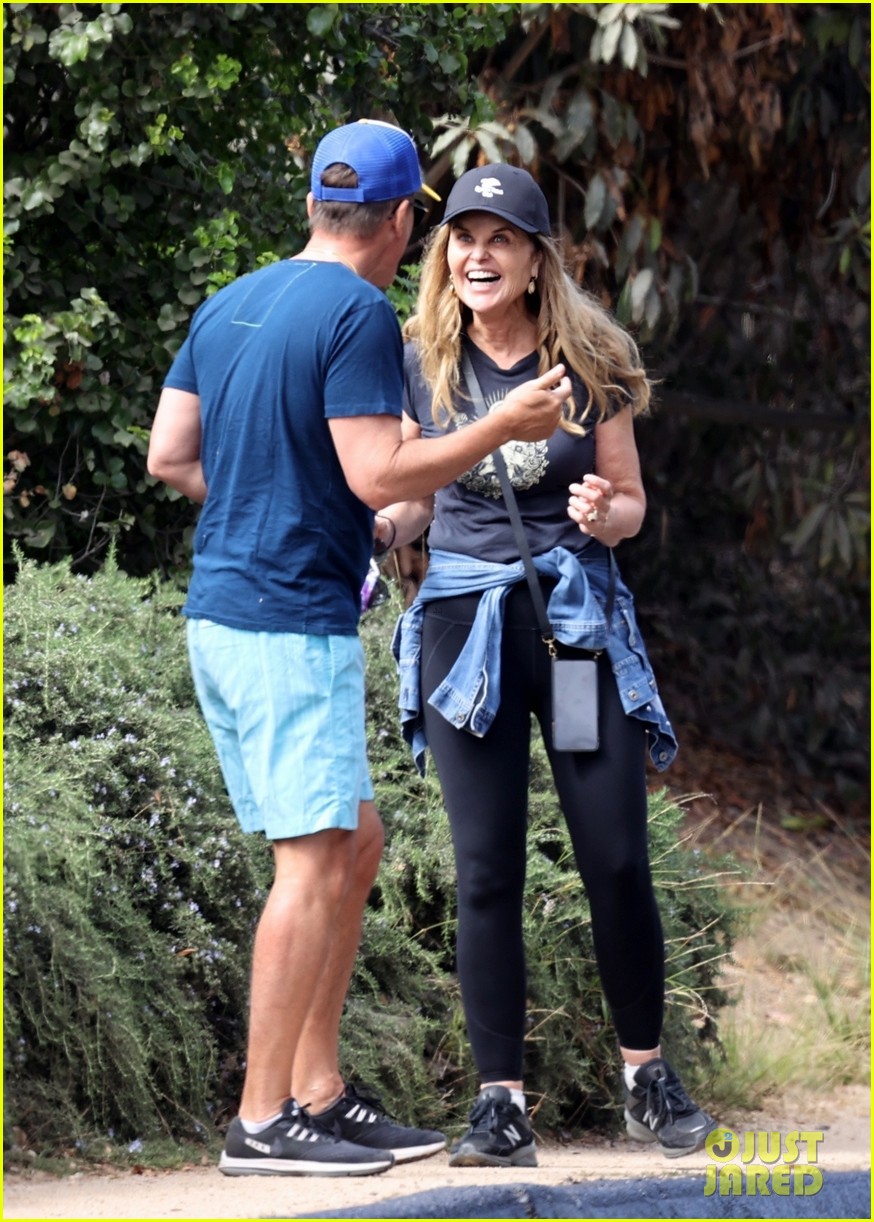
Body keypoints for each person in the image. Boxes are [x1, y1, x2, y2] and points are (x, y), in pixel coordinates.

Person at [147, 125, 572, 1178]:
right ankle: (260, 1120)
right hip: (288, 623)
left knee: (358, 839)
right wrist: (497, 423)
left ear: (311, 207)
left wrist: (327, 517)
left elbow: (170, 454)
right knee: (312, 860)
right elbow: (384, 473)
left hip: (223, 613)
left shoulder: (231, 300)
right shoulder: (356, 315)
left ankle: (317, 1088)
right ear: (400, 223)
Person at [381, 164, 718, 1168]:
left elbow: (628, 500)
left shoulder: (591, 358)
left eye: (498, 238)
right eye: (460, 238)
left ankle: (646, 1077)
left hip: (571, 633)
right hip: (466, 638)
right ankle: (500, 1105)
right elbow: (411, 496)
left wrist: (602, 515)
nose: (474, 254)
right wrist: (382, 525)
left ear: (536, 260)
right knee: (485, 869)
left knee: (613, 855)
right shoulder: (415, 364)